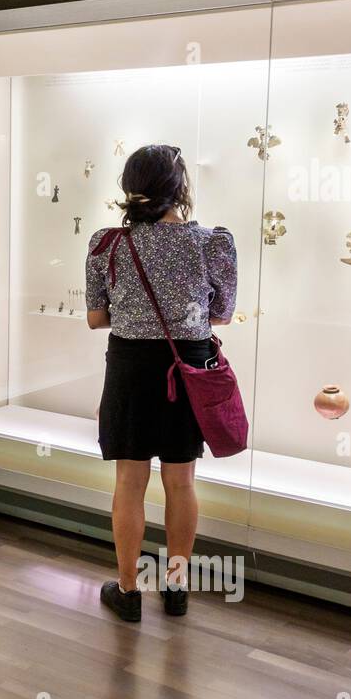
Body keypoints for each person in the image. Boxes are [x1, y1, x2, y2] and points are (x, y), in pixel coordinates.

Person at [84, 144, 237, 622]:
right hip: (187, 368)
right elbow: (221, 315)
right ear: (180, 188)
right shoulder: (212, 242)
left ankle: (128, 591)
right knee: (181, 481)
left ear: (130, 187)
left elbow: (96, 318)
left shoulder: (107, 243)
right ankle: (176, 587)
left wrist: (137, 315)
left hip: (130, 367)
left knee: (130, 482)